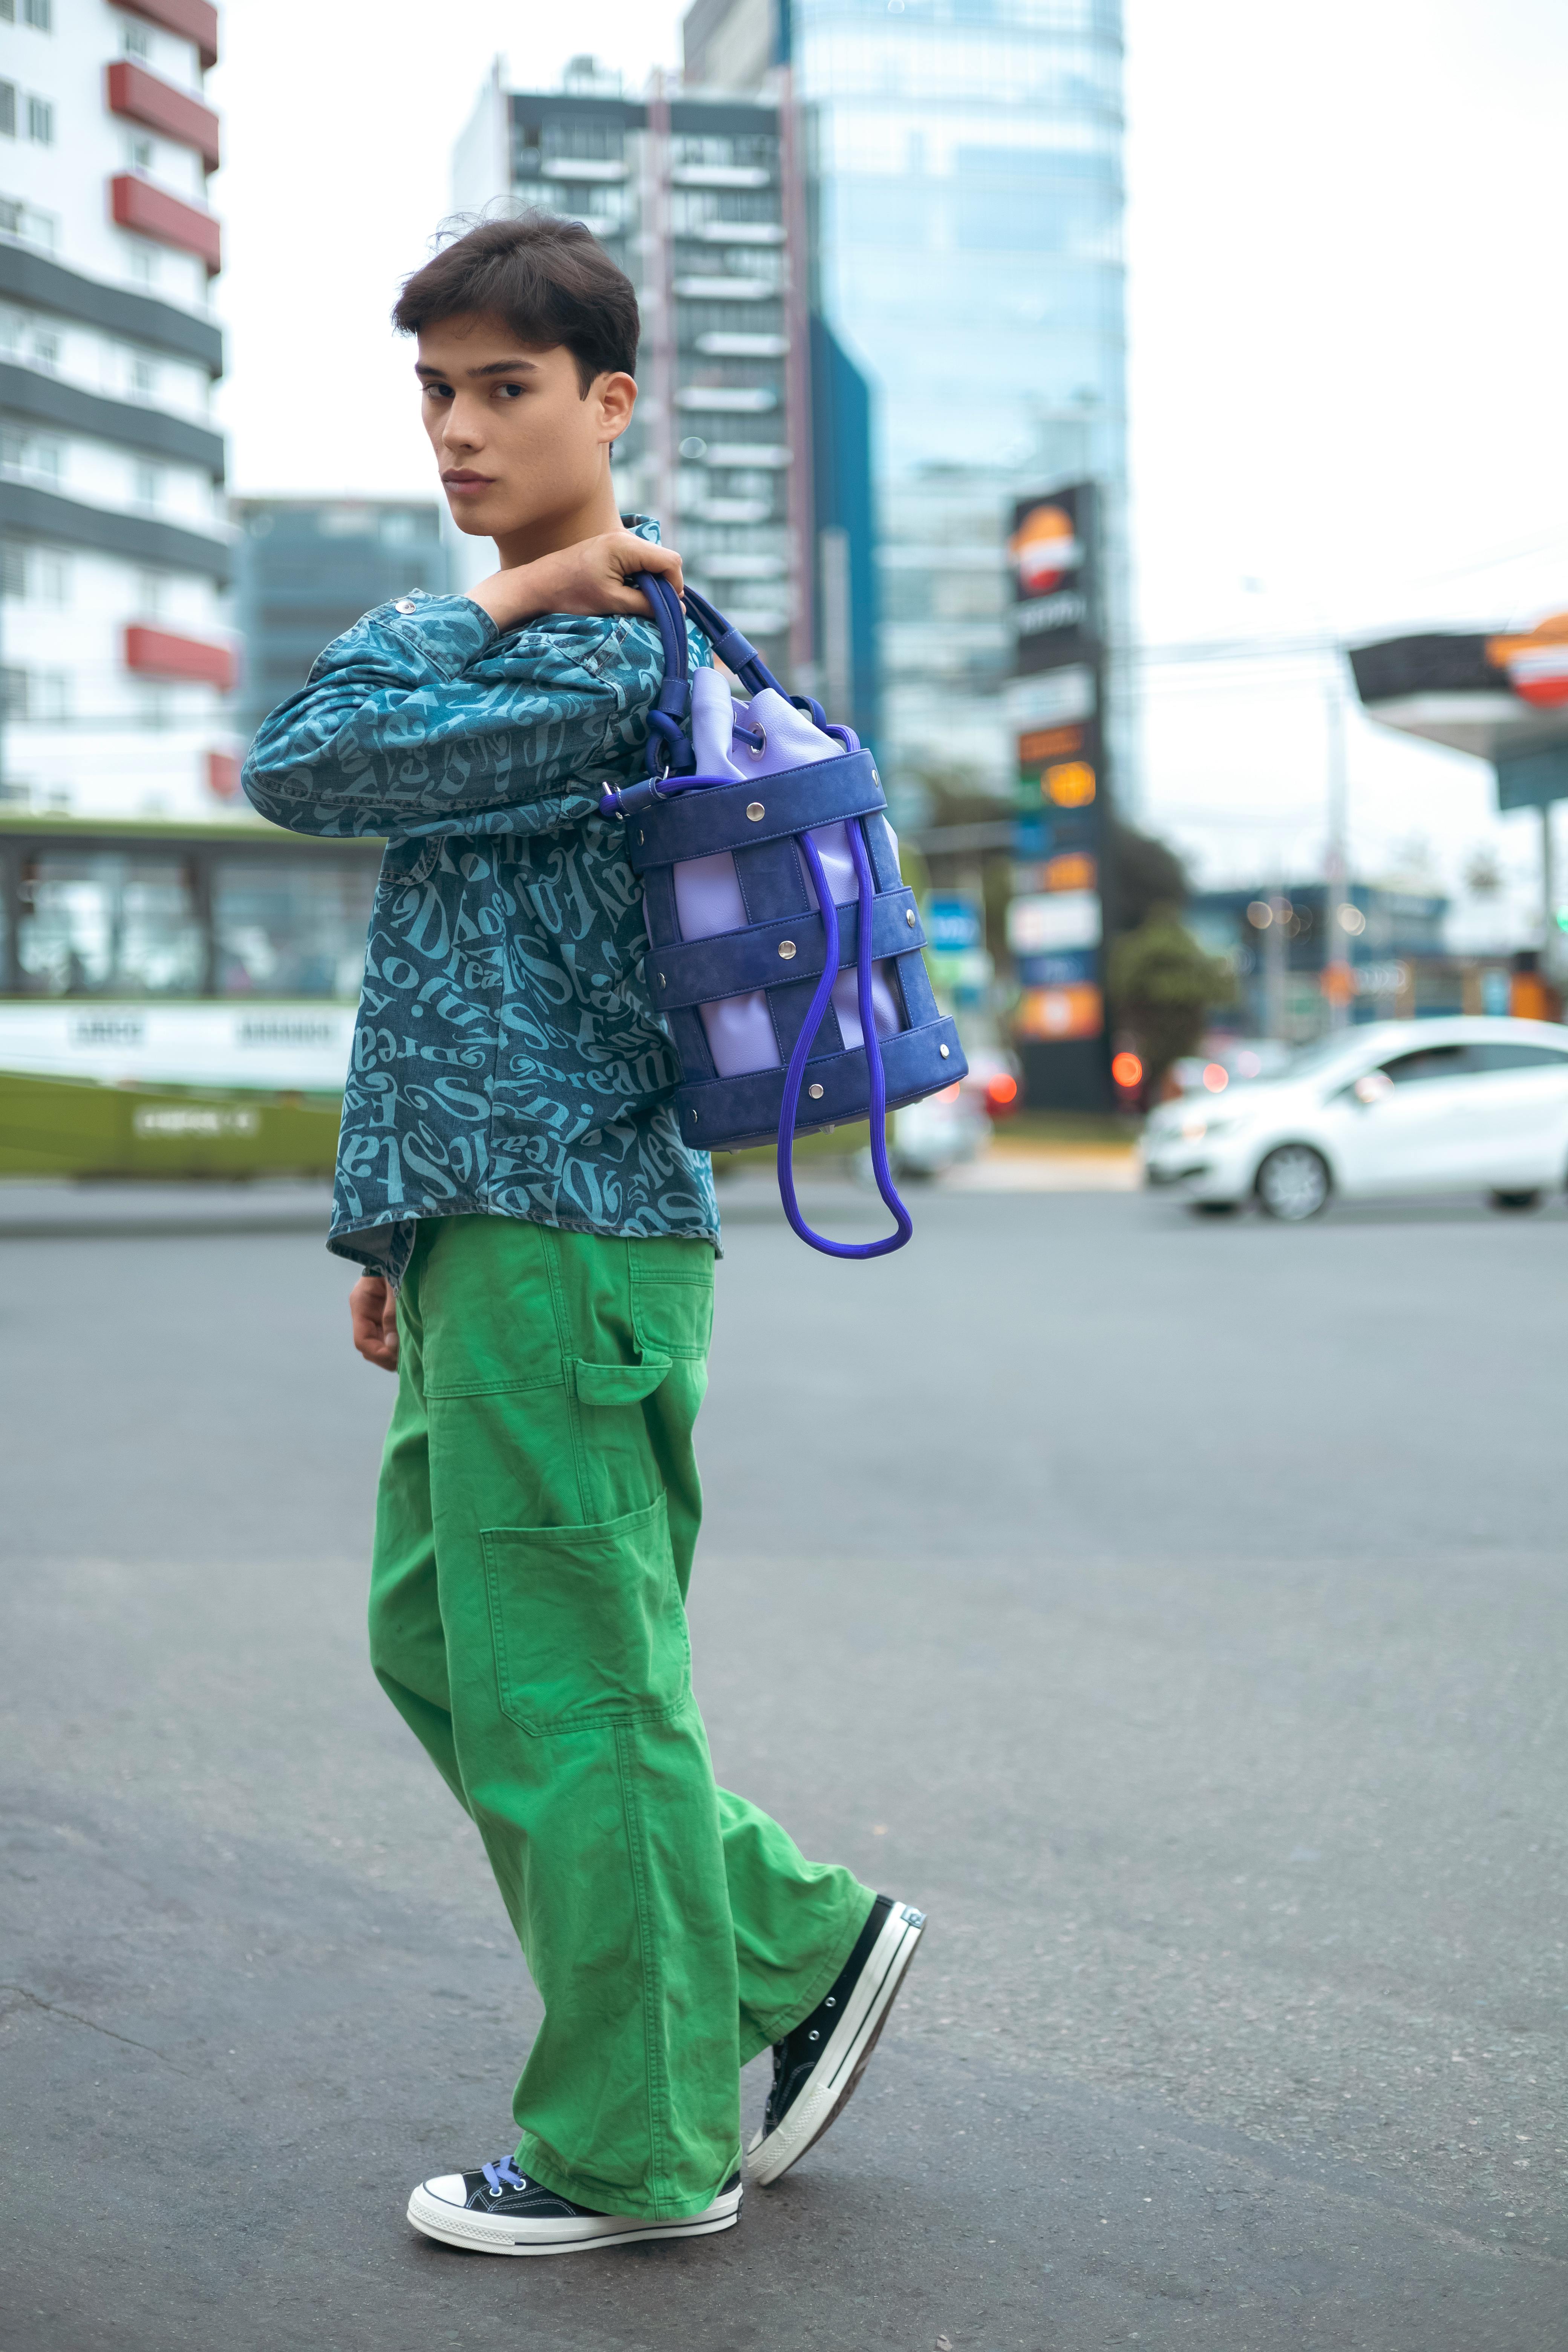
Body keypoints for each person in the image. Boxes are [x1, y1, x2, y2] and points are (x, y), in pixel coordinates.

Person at [242, 213, 925, 2259]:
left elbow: (304, 762)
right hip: (492, 1222)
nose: (460, 428)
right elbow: (481, 956)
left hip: (570, 1231)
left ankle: (640, 2145)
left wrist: (522, 583)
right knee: (452, 1640)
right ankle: (797, 1949)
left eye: (505, 388)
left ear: (607, 404)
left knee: (577, 1688)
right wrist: (396, 1224)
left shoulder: (594, 647)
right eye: (437, 391)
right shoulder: (542, 635)